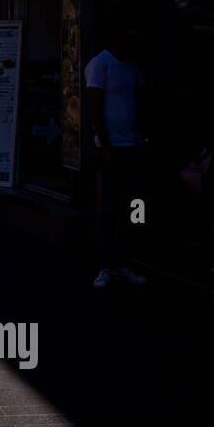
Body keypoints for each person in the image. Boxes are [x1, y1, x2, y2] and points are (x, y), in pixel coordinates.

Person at [85, 26, 148, 289]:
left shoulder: (132, 66)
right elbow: (95, 108)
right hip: (112, 148)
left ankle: (125, 262)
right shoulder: (100, 64)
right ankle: (105, 266)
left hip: (133, 143)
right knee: (108, 209)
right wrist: (105, 146)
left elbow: (141, 99)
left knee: (130, 206)